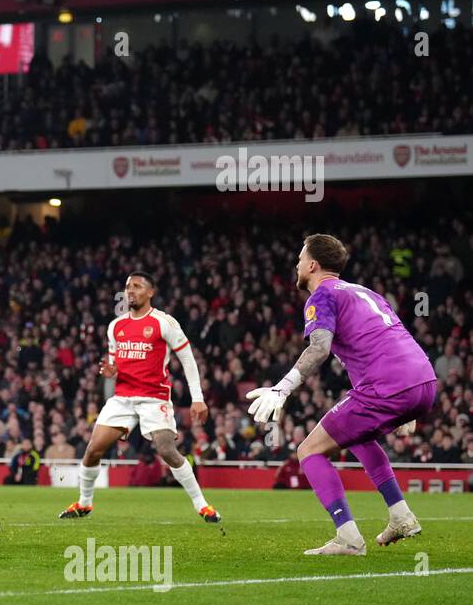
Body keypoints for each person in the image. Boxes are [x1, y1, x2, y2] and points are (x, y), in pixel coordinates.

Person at [247, 233, 438, 555]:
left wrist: (283, 388)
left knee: (309, 451)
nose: (296, 264)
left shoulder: (321, 295)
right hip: (423, 380)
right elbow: (394, 338)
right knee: (359, 437)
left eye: (299, 258)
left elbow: (319, 348)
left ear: (312, 264)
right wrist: (411, 405)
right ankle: (401, 515)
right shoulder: (367, 293)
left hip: (388, 384)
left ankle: (348, 538)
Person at [61, 271, 219, 524]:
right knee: (93, 449)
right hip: (122, 397)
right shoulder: (116, 326)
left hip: (154, 398)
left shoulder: (164, 322)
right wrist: (111, 372)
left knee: (166, 449)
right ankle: (84, 503)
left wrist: (197, 398)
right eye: (127, 286)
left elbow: (188, 359)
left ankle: (202, 505)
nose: (130, 291)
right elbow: (114, 365)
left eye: (137, 286)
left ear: (150, 292)